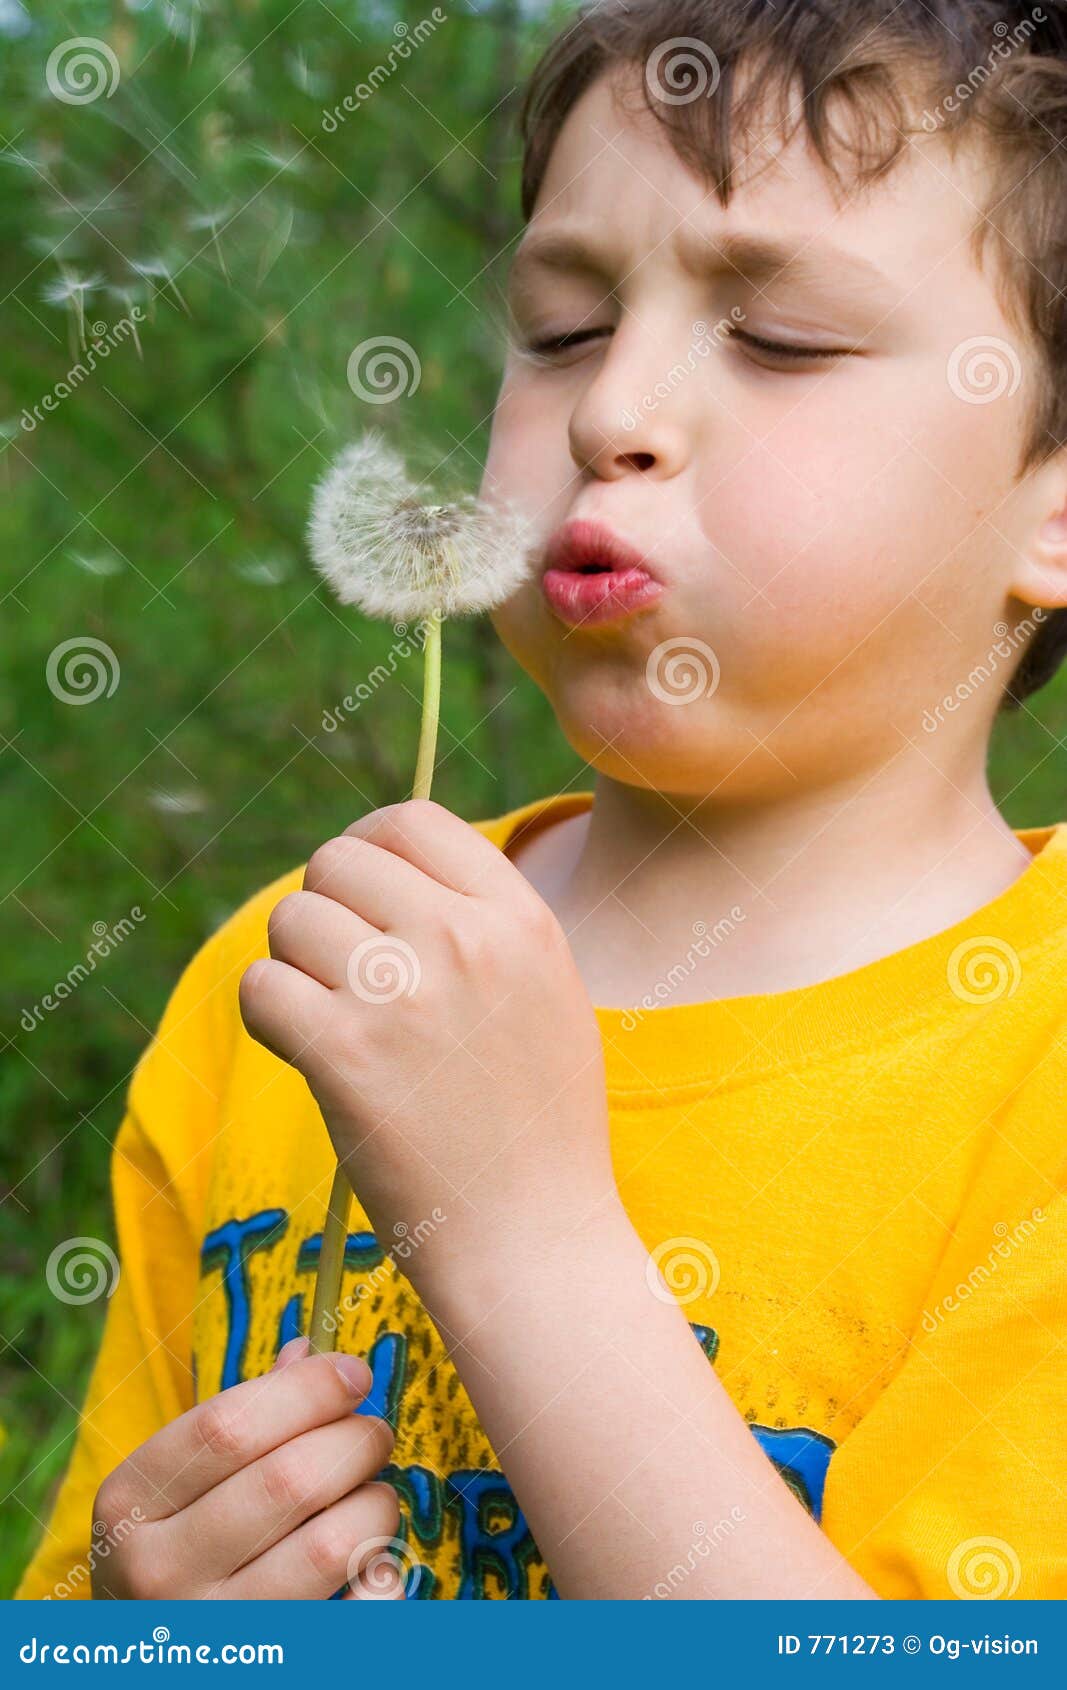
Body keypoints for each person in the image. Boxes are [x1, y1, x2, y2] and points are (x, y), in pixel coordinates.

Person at [16, 0, 1067, 1601]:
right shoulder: (291, 979)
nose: (609, 412)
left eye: (779, 340)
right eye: (565, 327)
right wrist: (146, 1620)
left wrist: (521, 1241)